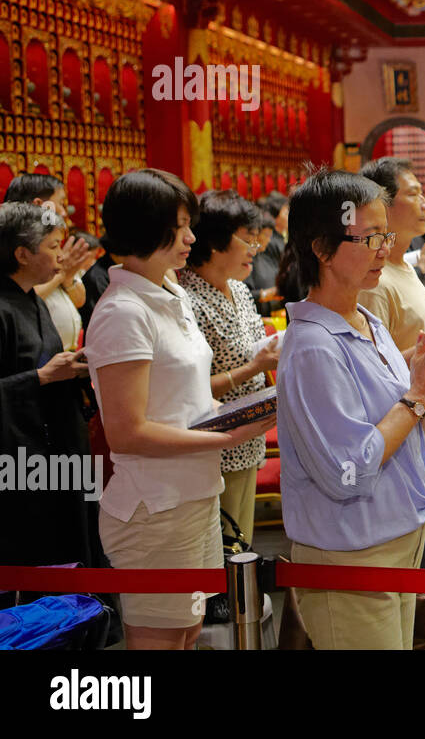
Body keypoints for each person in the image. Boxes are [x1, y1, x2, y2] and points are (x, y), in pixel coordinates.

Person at [275, 169, 425, 649]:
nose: (384, 249)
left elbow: (395, 419)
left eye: (385, 234)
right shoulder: (313, 348)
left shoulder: (364, 319)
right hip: (351, 553)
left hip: (395, 540)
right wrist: (418, 396)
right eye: (368, 238)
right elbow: (350, 470)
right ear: (321, 248)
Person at [83, 169, 273, 650]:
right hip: (155, 508)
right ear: (148, 227)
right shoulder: (123, 310)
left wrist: (239, 412)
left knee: (188, 633)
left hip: (195, 493)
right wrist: (223, 437)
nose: (192, 237)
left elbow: (186, 396)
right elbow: (127, 431)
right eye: (182, 225)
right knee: (158, 641)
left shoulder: (173, 293)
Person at [358, 158, 425, 648]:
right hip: (416, 419)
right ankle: (417, 637)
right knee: (421, 539)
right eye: (415, 193)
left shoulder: (404, 265)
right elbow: (375, 367)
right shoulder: (376, 282)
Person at [0, 203, 97, 586]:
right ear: (22, 254)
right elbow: (33, 375)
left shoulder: (29, 298)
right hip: (21, 463)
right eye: (52, 245)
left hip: (57, 445)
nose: (61, 254)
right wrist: (40, 377)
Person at [178, 190, 281, 542]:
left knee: (243, 540)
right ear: (216, 242)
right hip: (215, 442)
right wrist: (255, 367)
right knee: (222, 545)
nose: (256, 248)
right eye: (247, 239)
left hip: (250, 433)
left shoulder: (239, 289)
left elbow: (254, 348)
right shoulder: (186, 300)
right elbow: (190, 387)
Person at [4, 173, 92, 322]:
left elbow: (80, 300)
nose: (64, 212)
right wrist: (62, 273)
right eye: (61, 203)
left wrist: (67, 275)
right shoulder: (18, 248)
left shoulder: (55, 244)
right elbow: (21, 299)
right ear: (40, 205)